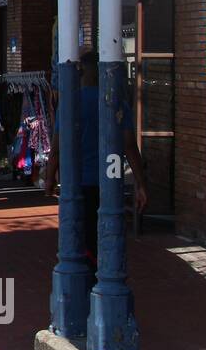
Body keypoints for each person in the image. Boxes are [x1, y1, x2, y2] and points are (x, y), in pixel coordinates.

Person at [43, 50, 149, 286]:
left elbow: (57, 149)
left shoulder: (70, 104)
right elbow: (130, 146)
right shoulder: (115, 103)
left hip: (78, 182)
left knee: (81, 234)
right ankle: (104, 275)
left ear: (81, 72)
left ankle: (89, 280)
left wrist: (49, 180)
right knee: (108, 234)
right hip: (108, 181)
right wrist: (141, 184)